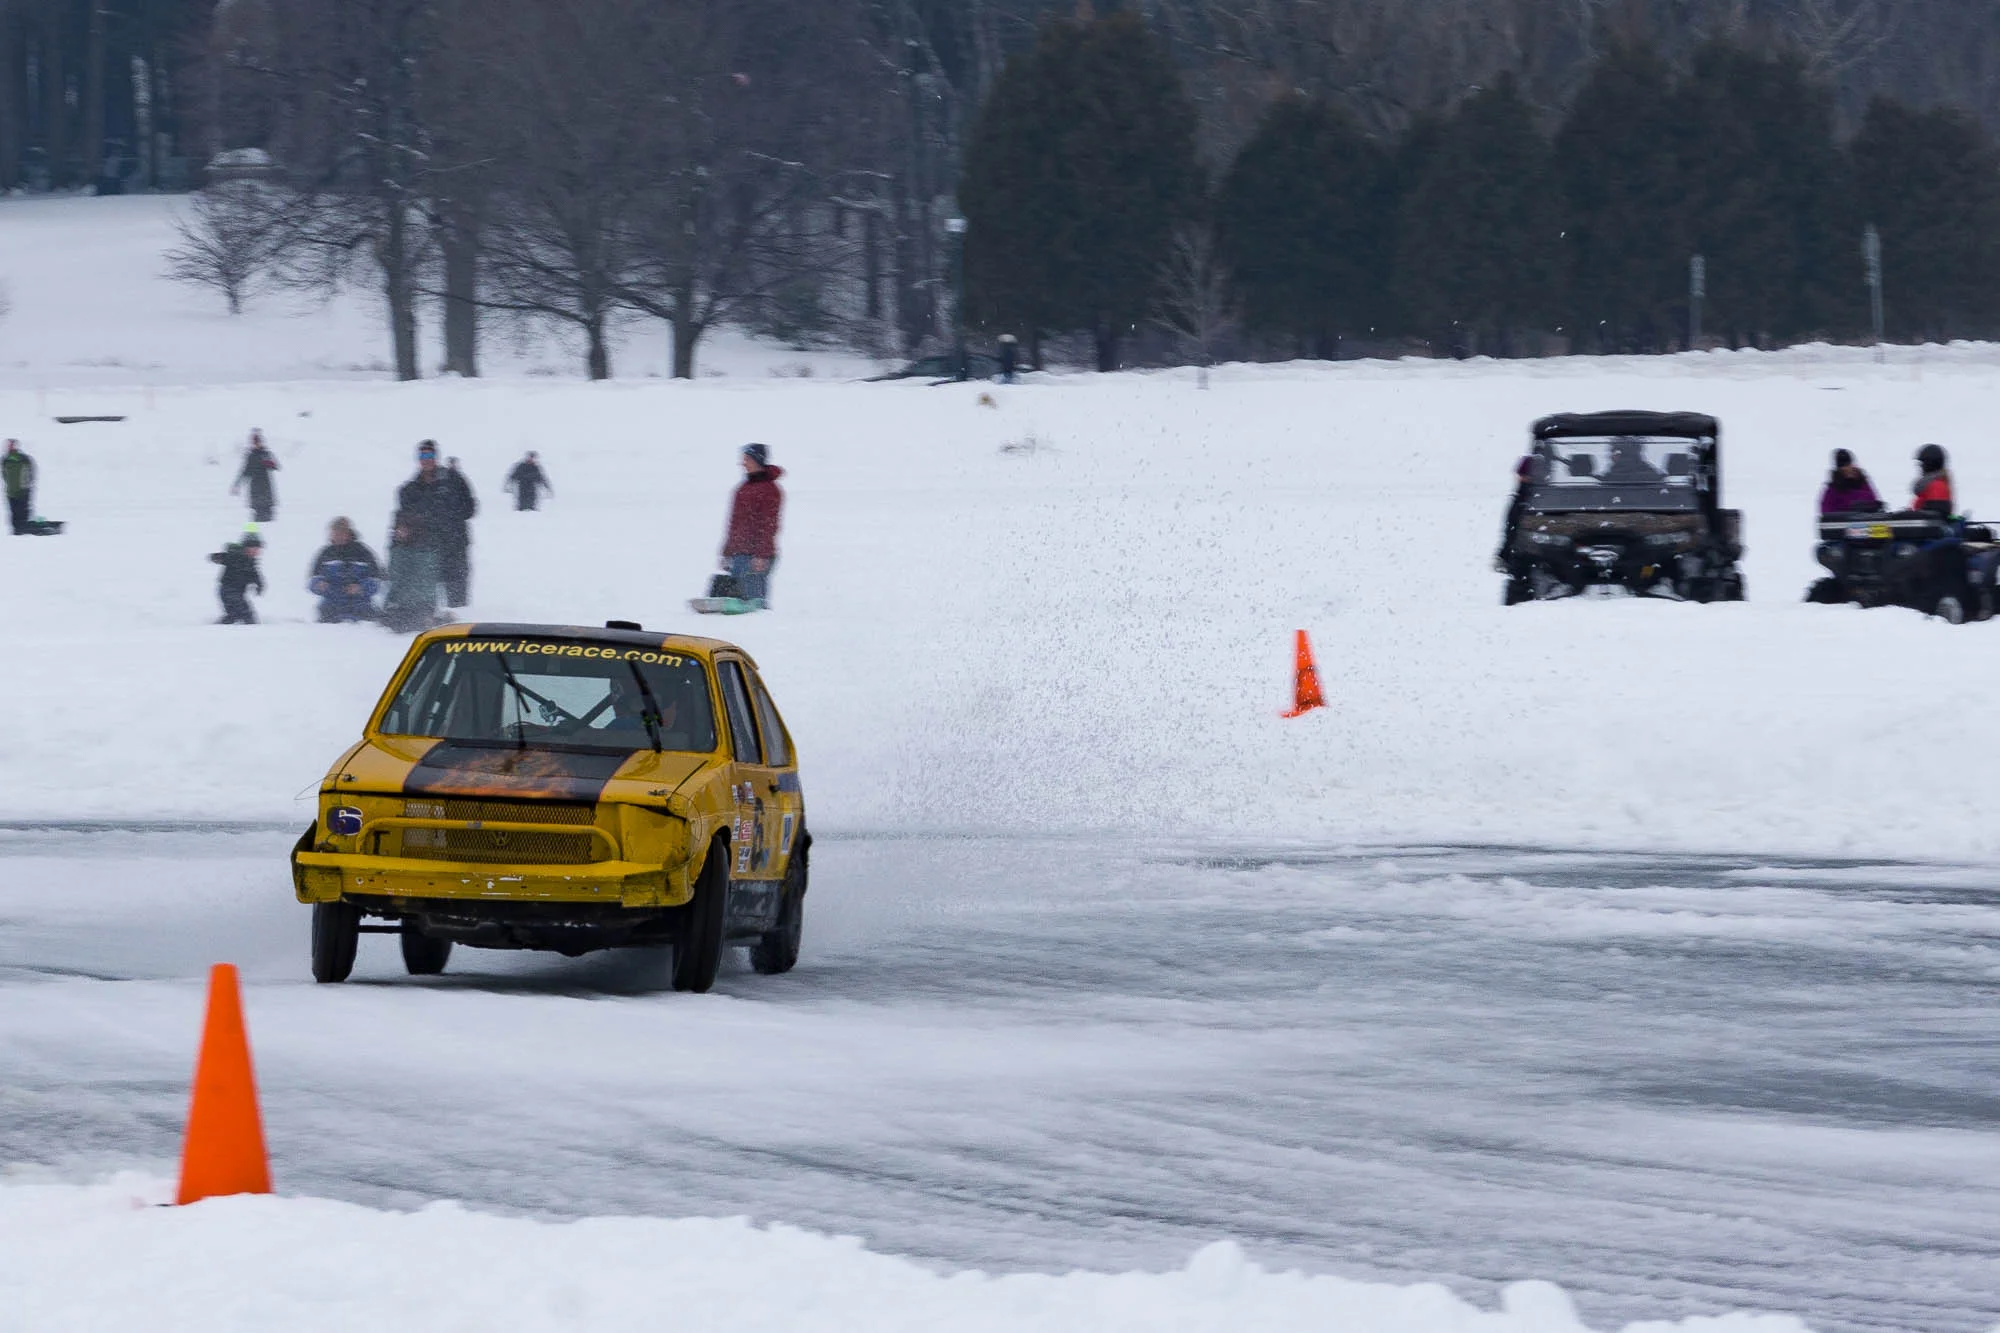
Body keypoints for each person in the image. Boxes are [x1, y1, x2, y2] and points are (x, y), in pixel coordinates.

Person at [395, 441, 476, 609]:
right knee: (426, 596)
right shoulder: (411, 488)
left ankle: (460, 628)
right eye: (423, 456)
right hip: (427, 548)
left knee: (457, 598)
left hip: (455, 545)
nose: (426, 460)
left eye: (430, 455)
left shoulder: (453, 479)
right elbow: (404, 518)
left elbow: (470, 508)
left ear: (435, 457)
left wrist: (451, 518)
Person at [719, 443, 785, 606]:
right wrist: (727, 552)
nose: (743, 463)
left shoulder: (770, 490)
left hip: (756, 556)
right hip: (739, 554)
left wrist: (761, 556)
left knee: (753, 605)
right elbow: (734, 524)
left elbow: (769, 525)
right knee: (735, 605)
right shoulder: (744, 488)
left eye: (747, 459)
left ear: (757, 460)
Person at [308, 517, 383, 623]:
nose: (336, 537)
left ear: (348, 533)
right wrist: (318, 584)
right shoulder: (325, 554)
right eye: (334, 534)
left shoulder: (364, 553)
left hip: (360, 607)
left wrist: (361, 588)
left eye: (340, 533)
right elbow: (312, 580)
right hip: (331, 607)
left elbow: (377, 582)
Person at [380, 511, 440, 633]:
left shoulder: (423, 553)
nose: (399, 532)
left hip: (421, 602)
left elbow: (424, 583)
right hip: (401, 602)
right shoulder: (397, 550)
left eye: (403, 529)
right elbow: (393, 580)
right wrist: (391, 602)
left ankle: (430, 619)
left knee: (405, 624)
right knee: (391, 621)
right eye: (398, 529)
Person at [210, 531, 265, 624]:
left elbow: (255, 575)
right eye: (253, 548)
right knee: (246, 614)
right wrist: (217, 557)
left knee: (234, 615)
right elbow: (224, 557)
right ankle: (252, 629)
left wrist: (259, 585)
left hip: (237, 592)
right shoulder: (236, 556)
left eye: (258, 549)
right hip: (228, 591)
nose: (256, 551)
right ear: (246, 547)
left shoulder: (251, 562)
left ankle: (219, 628)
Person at [232, 429, 280, 523]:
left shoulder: (266, 454)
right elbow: (244, 472)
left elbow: (276, 467)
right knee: (256, 520)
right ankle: (255, 536)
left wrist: (269, 463)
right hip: (255, 491)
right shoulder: (250, 456)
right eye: (254, 442)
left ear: (261, 442)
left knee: (269, 519)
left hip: (266, 490)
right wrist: (237, 484)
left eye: (258, 442)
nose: (256, 444)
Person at [1818, 449, 1883, 516]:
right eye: (1843, 466)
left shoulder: (1862, 481)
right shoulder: (1833, 488)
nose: (1847, 468)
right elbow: (1826, 511)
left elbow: (1873, 500)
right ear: (1838, 469)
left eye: (1849, 464)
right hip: (1842, 524)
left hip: (1865, 522)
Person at [1908, 444, 1953, 517]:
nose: (1921, 467)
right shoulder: (1930, 484)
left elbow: (1934, 516)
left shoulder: (1937, 486)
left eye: (1922, 463)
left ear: (1930, 463)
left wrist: (1906, 515)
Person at [2, 439, 34, 536]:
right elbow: (4, 474)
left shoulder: (24, 459)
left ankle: (23, 532)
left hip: (22, 491)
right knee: (14, 514)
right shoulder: (5, 459)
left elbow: (31, 473)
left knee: (22, 513)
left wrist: (27, 485)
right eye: (9, 445)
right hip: (11, 492)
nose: (9, 447)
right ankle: (16, 533)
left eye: (11, 445)